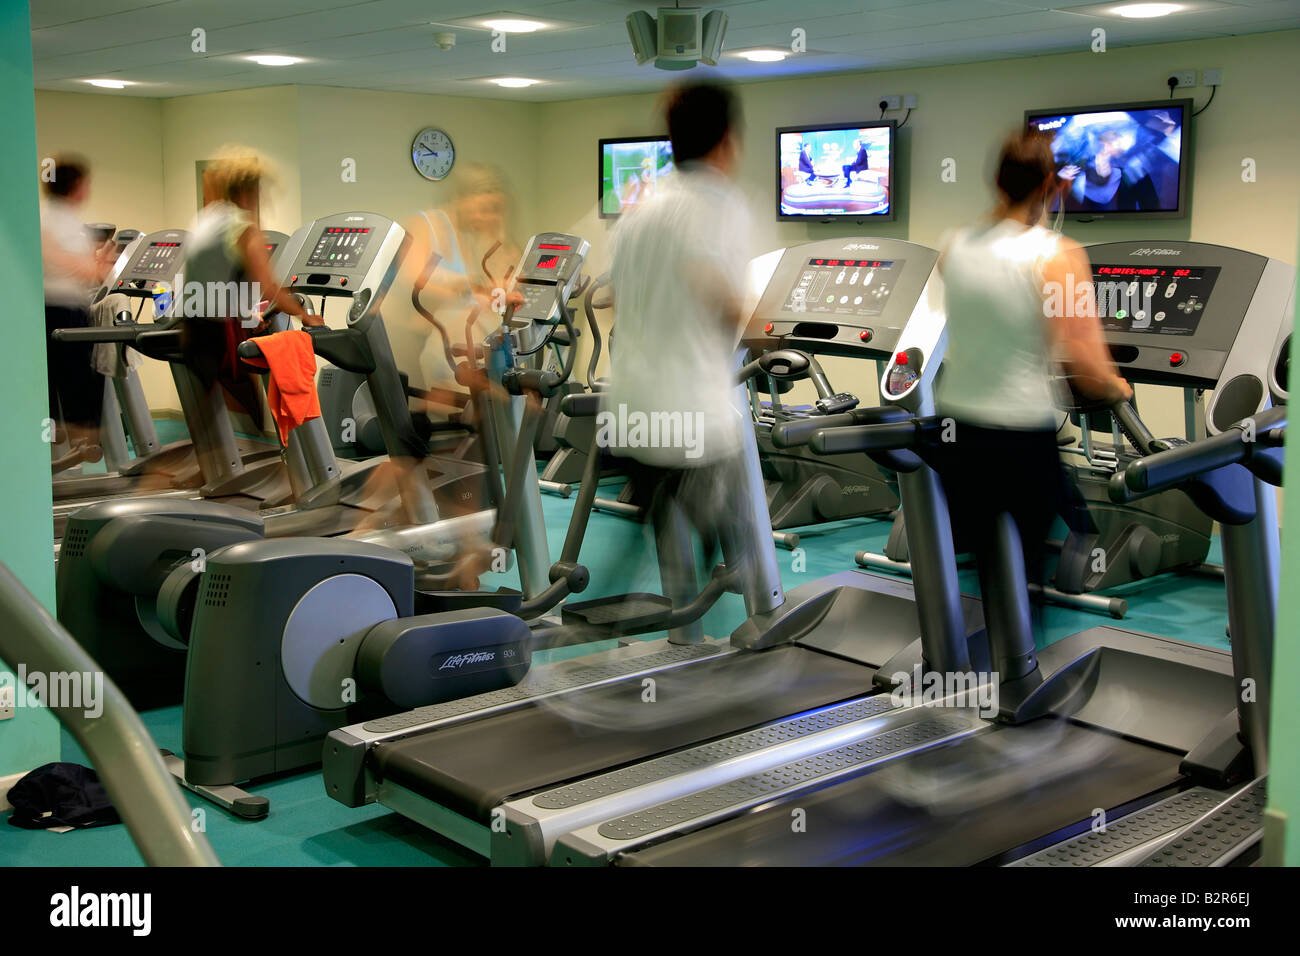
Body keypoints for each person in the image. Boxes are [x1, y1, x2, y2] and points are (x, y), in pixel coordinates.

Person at [932, 130, 1132, 646]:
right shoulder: (1058, 256)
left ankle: (980, 660)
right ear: (1052, 185)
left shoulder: (952, 247)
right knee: (1029, 569)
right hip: (1018, 439)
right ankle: (1014, 678)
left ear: (995, 180)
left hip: (953, 435)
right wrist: (1118, 387)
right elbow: (1085, 366)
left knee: (988, 562)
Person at [603, 81, 759, 613]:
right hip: (692, 412)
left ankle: (627, 627)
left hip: (629, 408)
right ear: (727, 142)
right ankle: (754, 626)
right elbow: (718, 293)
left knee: (656, 539)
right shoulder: (718, 202)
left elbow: (623, 304)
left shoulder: (640, 208)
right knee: (744, 537)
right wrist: (770, 324)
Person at [181, 147, 318, 428]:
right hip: (220, 334)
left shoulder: (207, 218)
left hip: (193, 327)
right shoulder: (244, 229)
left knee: (209, 418)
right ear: (250, 191)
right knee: (250, 413)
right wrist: (305, 316)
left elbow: (215, 275)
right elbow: (268, 287)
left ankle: (211, 467)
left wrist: (246, 312)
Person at [40, 156, 116, 455]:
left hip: (48, 309)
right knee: (78, 382)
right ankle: (83, 443)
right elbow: (80, 268)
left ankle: (60, 443)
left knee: (54, 382)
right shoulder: (62, 222)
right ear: (76, 186)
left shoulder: (46, 215)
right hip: (63, 311)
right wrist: (103, 264)